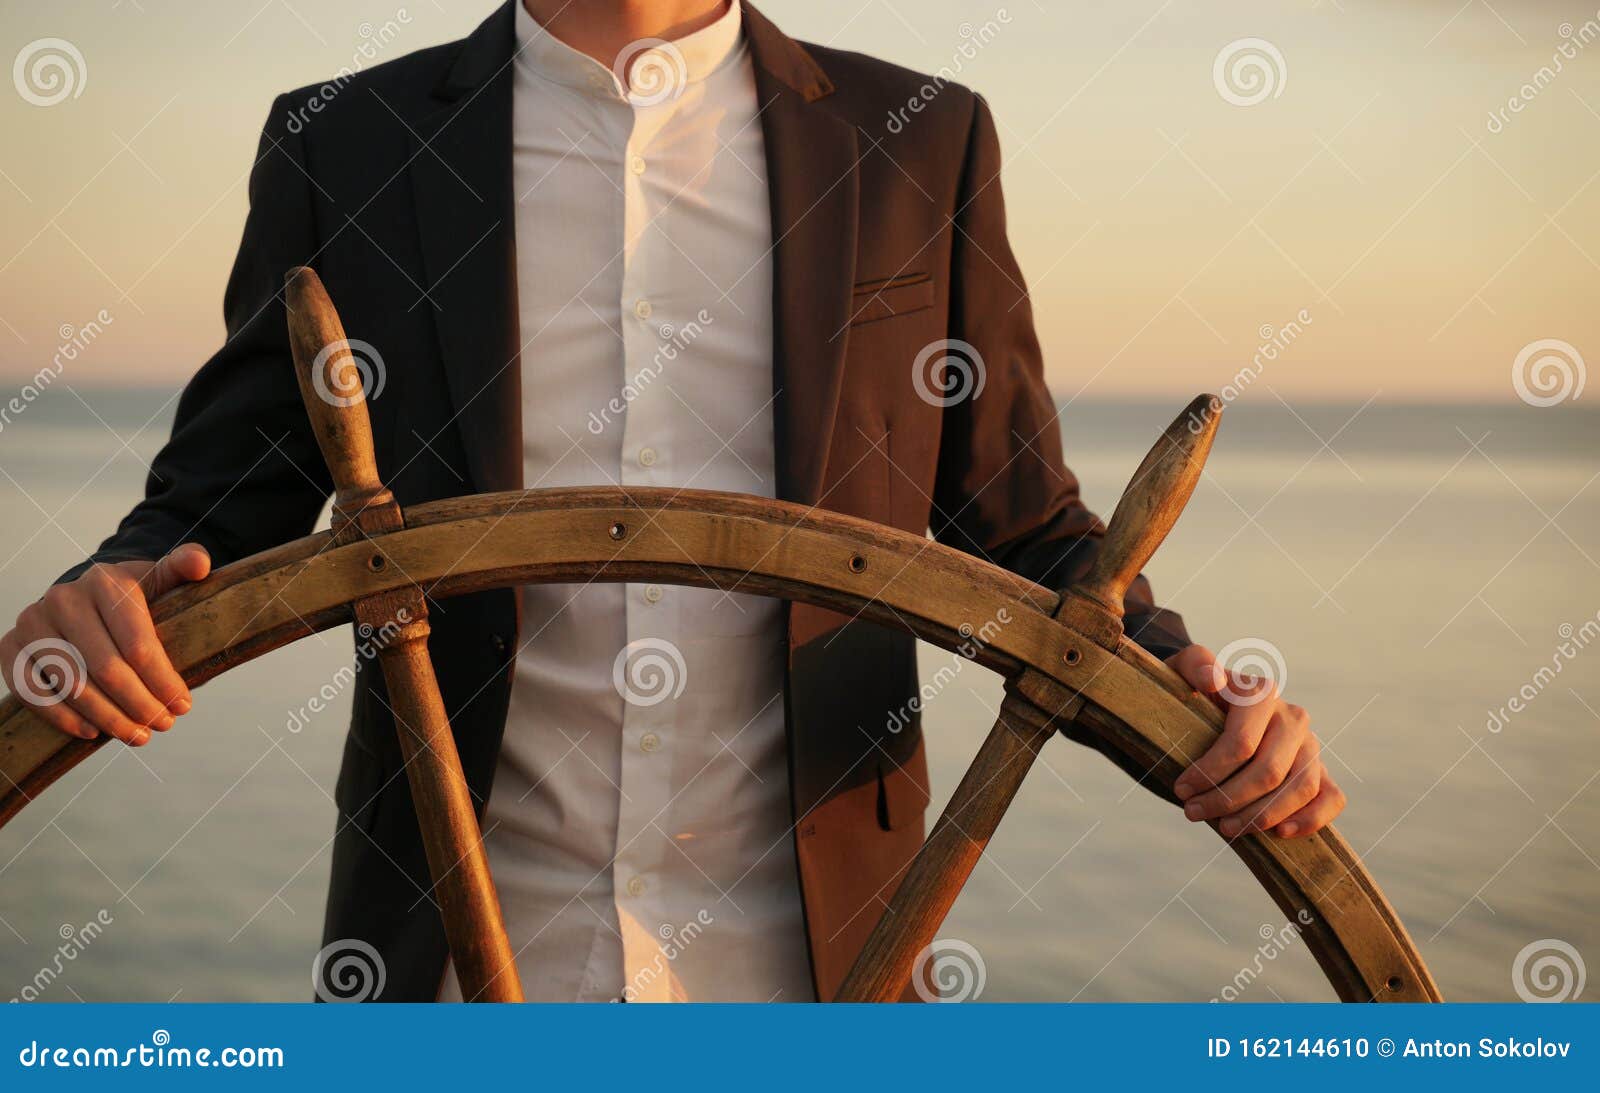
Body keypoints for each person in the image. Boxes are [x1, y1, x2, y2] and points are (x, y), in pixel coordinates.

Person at [0, 0, 1342, 1001]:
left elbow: (1029, 526)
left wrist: (1201, 702)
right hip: (451, 962)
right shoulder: (340, 140)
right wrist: (108, 592)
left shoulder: (920, 140)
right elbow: (229, 489)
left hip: (828, 970)